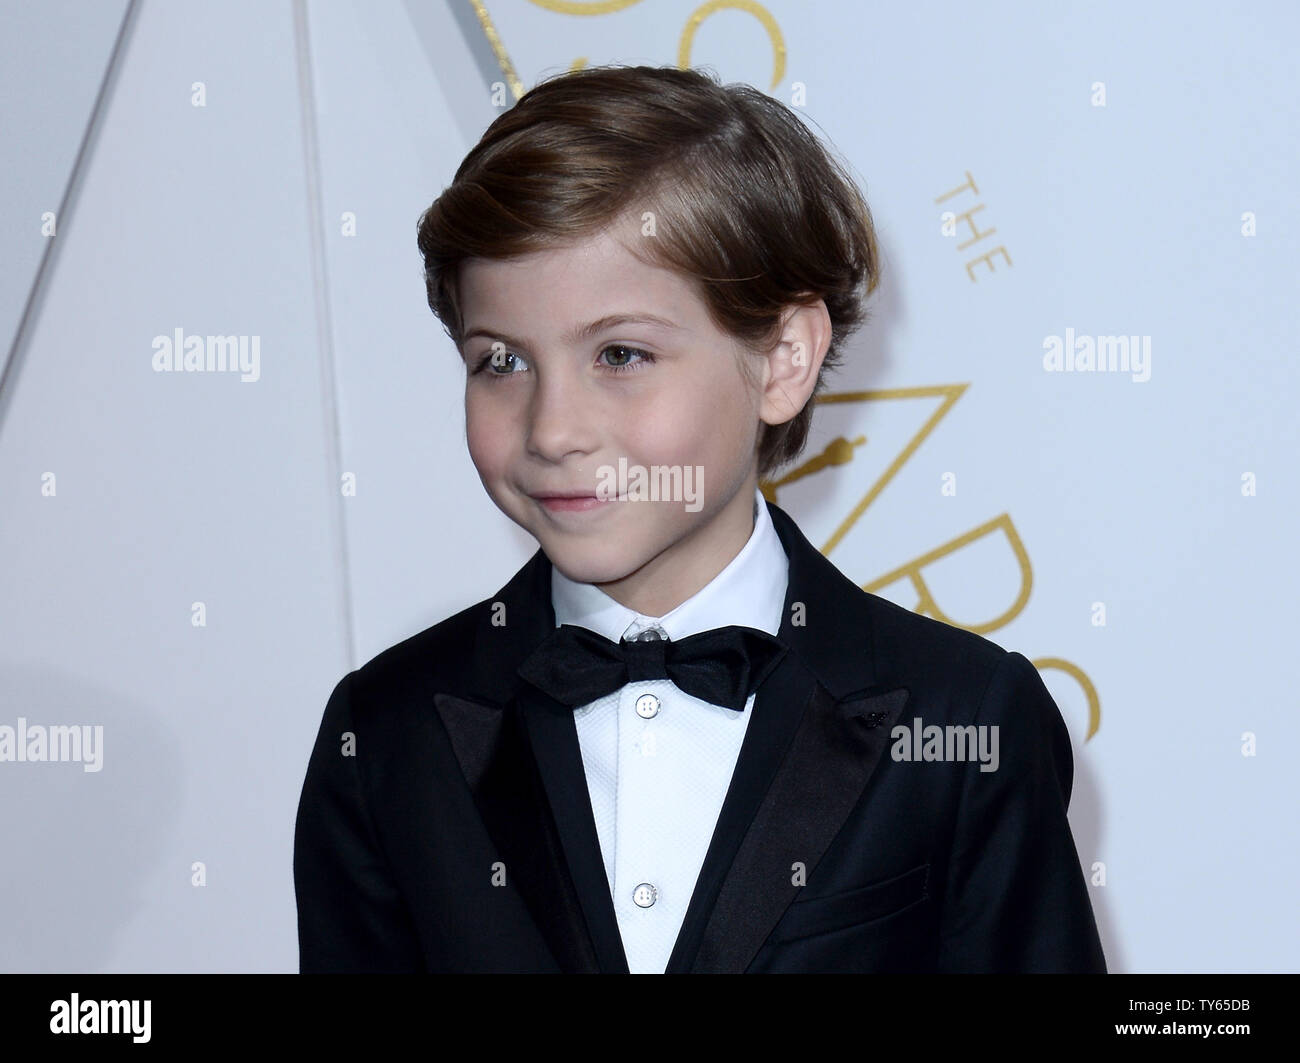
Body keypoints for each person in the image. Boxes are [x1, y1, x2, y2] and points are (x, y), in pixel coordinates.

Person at [293, 64, 1106, 973]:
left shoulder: (965, 719)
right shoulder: (387, 734)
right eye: (501, 362)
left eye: (622, 353)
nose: (554, 429)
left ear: (783, 358)